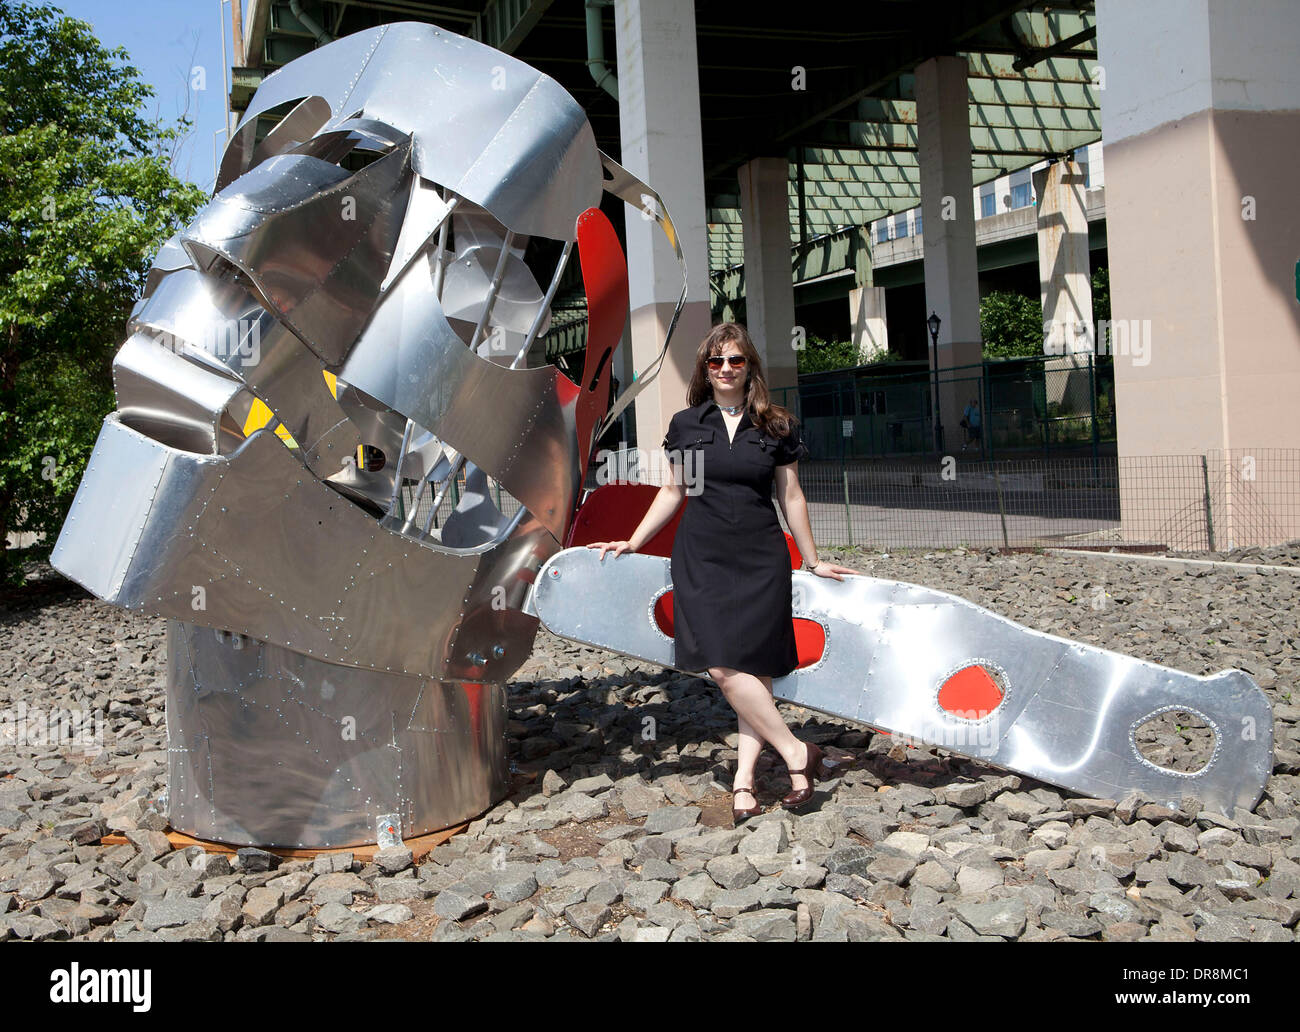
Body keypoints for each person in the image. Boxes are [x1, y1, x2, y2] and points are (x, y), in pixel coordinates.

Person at [585, 322, 858, 825]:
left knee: (754, 669)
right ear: (705, 371)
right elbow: (674, 492)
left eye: (735, 361)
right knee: (721, 667)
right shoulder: (688, 424)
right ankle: (800, 754)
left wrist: (812, 558)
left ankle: (744, 780)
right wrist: (634, 540)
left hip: (761, 557)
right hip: (703, 558)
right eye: (716, 362)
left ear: (750, 366)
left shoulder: (776, 425)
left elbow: (790, 496)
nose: (726, 369)